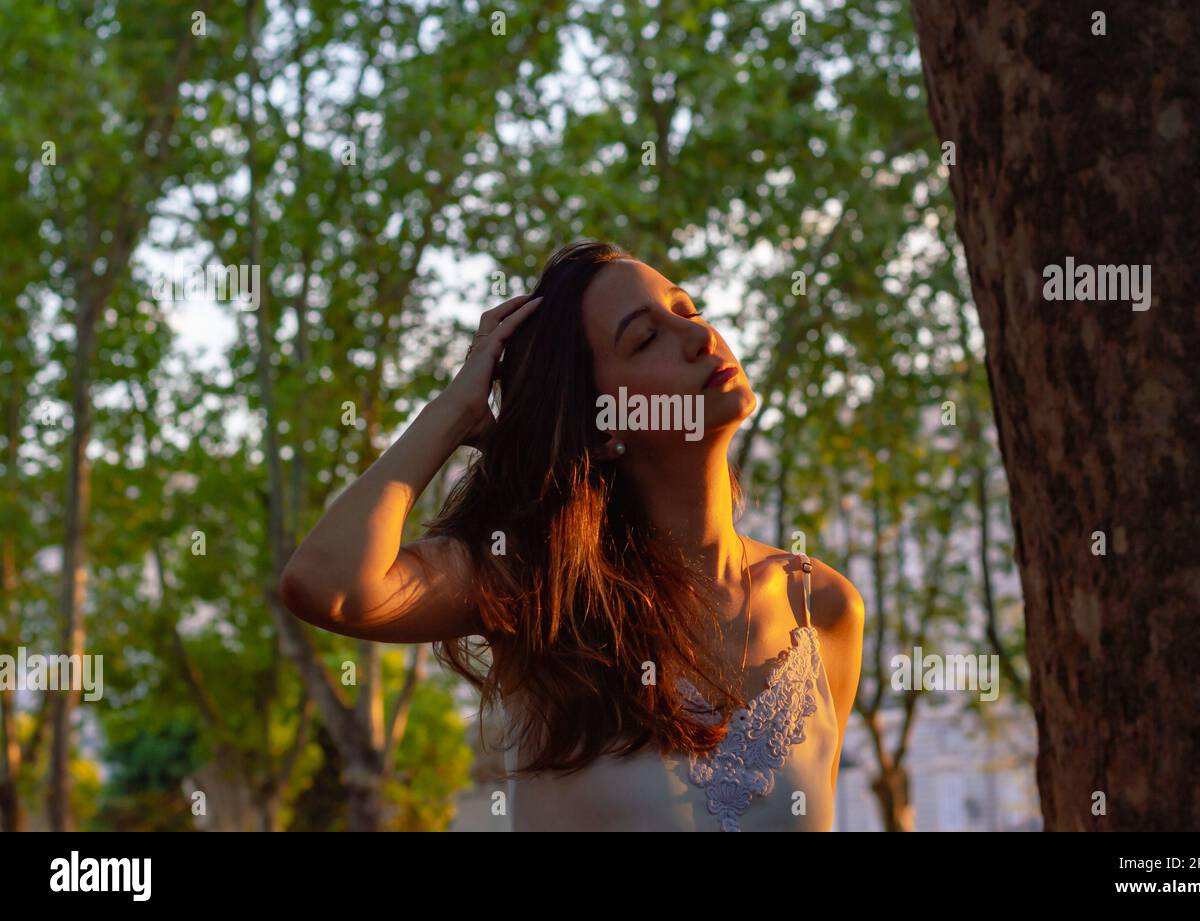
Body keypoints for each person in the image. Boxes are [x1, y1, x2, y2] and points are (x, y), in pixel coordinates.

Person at [279, 239, 865, 831]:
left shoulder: (823, 606)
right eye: (645, 338)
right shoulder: (539, 585)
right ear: (601, 422)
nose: (700, 338)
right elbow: (327, 584)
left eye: (687, 311)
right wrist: (453, 410)